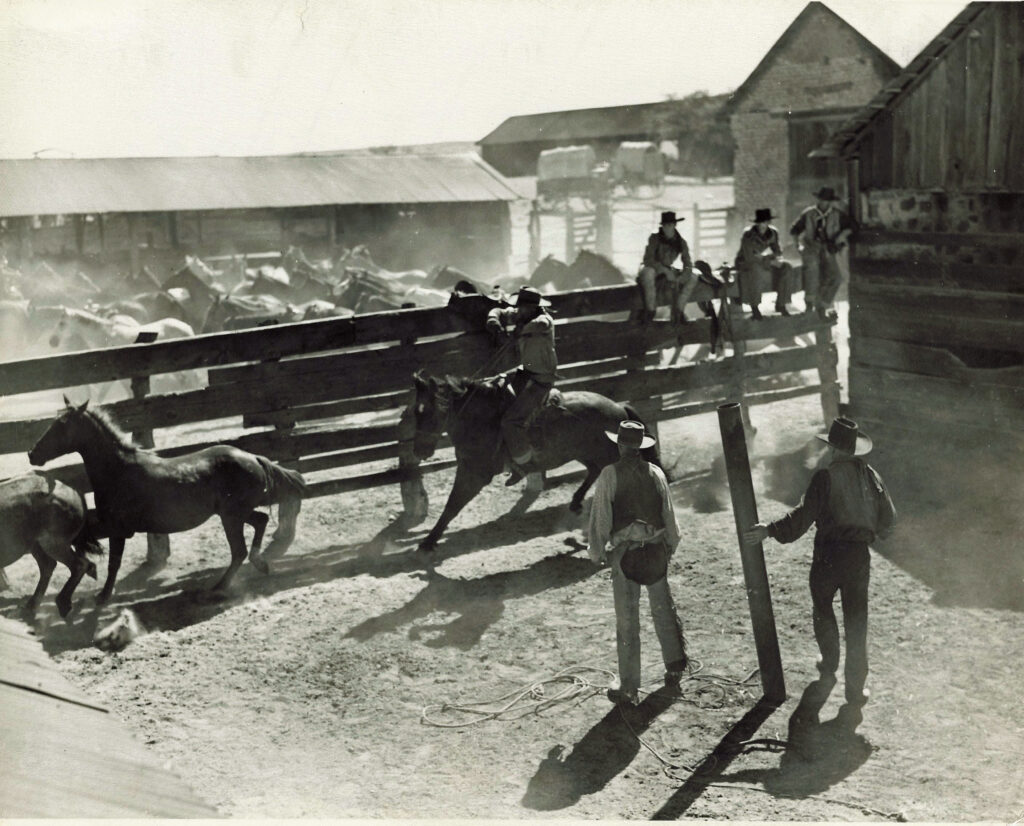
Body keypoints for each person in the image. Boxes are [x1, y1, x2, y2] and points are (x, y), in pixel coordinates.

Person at [744, 417, 896, 707]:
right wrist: (866, 530)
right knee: (857, 621)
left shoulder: (824, 478)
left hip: (828, 555)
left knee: (823, 607)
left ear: (833, 449)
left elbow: (801, 519)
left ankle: (828, 663)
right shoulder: (872, 476)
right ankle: (855, 691)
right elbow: (889, 522)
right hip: (858, 558)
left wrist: (770, 530)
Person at [588, 420, 689, 706]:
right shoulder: (655, 472)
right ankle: (675, 666)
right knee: (663, 609)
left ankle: (629, 687)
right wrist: (669, 546)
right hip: (656, 550)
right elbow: (670, 517)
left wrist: (597, 552)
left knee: (627, 619)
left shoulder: (610, 475)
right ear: (642, 446)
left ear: (620, 445)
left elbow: (601, 519)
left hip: (627, 553)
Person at [485, 286, 558, 484]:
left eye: (524, 308)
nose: (519, 311)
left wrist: (518, 330)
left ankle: (525, 466)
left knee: (511, 422)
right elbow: (498, 311)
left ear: (534, 307)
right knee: (491, 387)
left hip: (541, 379)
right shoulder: (522, 315)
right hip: (525, 372)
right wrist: (493, 320)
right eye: (519, 307)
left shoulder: (543, 321)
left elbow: (537, 325)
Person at [789, 187, 857, 320]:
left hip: (828, 249)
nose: (825, 203)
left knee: (837, 277)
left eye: (828, 201)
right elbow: (794, 230)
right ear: (819, 200)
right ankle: (809, 306)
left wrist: (840, 237)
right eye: (823, 200)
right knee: (812, 271)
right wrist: (798, 246)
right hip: (811, 248)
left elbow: (853, 226)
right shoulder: (808, 214)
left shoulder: (837, 214)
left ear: (831, 202)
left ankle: (823, 305)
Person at [637, 211, 699, 324]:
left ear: (675, 225)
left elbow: (688, 263)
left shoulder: (681, 242)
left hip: (667, 269)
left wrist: (683, 277)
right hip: (652, 267)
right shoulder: (654, 238)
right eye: (665, 225)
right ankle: (650, 311)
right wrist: (665, 271)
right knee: (648, 273)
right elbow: (648, 260)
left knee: (694, 276)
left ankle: (678, 310)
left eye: (670, 225)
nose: (667, 228)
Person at [734, 208, 794, 319]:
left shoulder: (773, 233)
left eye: (765, 222)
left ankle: (781, 304)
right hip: (746, 263)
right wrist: (768, 260)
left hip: (764, 261)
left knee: (787, 267)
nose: (763, 225)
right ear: (756, 223)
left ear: (769, 223)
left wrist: (771, 258)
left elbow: (777, 251)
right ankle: (755, 307)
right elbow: (749, 257)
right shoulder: (748, 235)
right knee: (756, 270)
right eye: (760, 222)